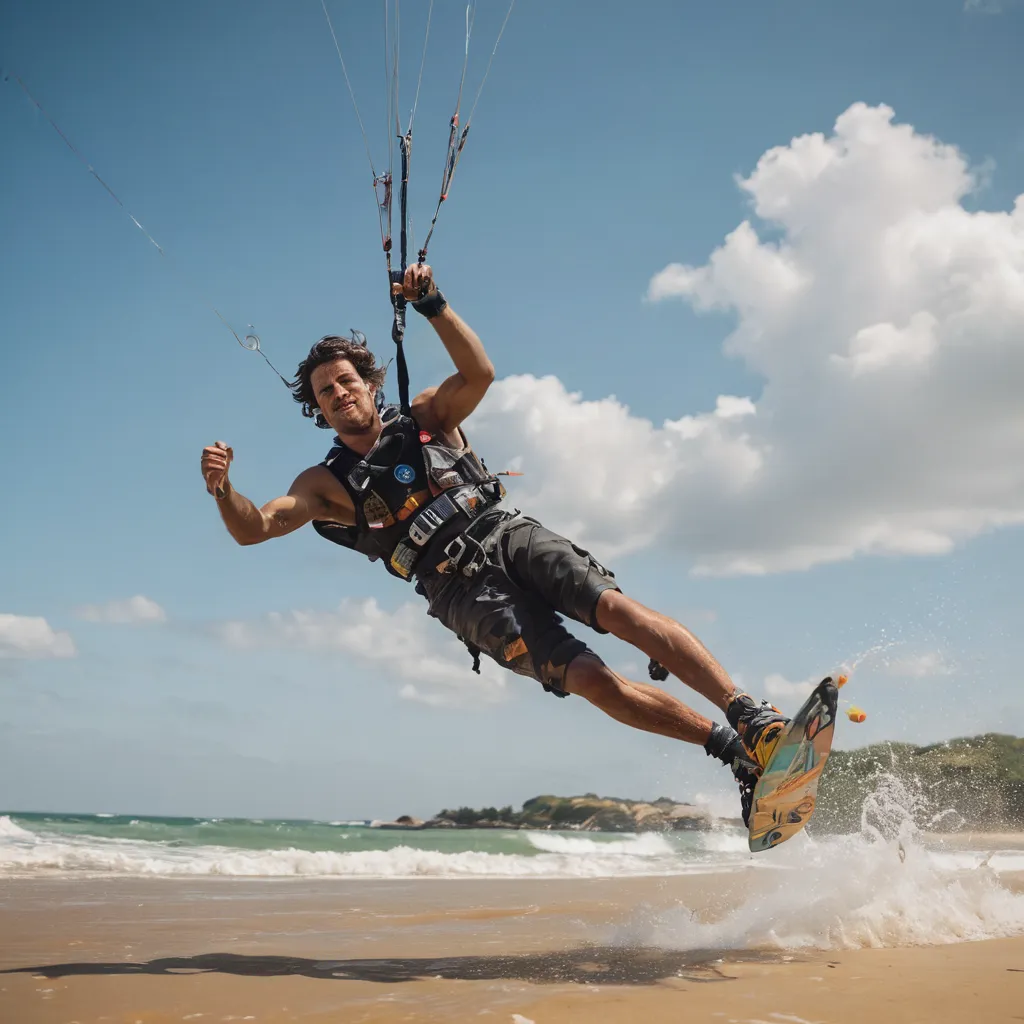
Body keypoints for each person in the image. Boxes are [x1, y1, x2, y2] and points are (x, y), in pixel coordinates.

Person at [200, 263, 791, 823]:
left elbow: (479, 373)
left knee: (615, 609)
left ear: (370, 382)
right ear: (318, 408)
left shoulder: (426, 414)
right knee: (589, 678)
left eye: (346, 380)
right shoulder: (323, 484)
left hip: (504, 535)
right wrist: (225, 489)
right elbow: (257, 527)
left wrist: (433, 306)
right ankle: (732, 751)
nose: (338, 393)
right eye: (325, 390)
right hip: (459, 593)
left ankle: (750, 716)